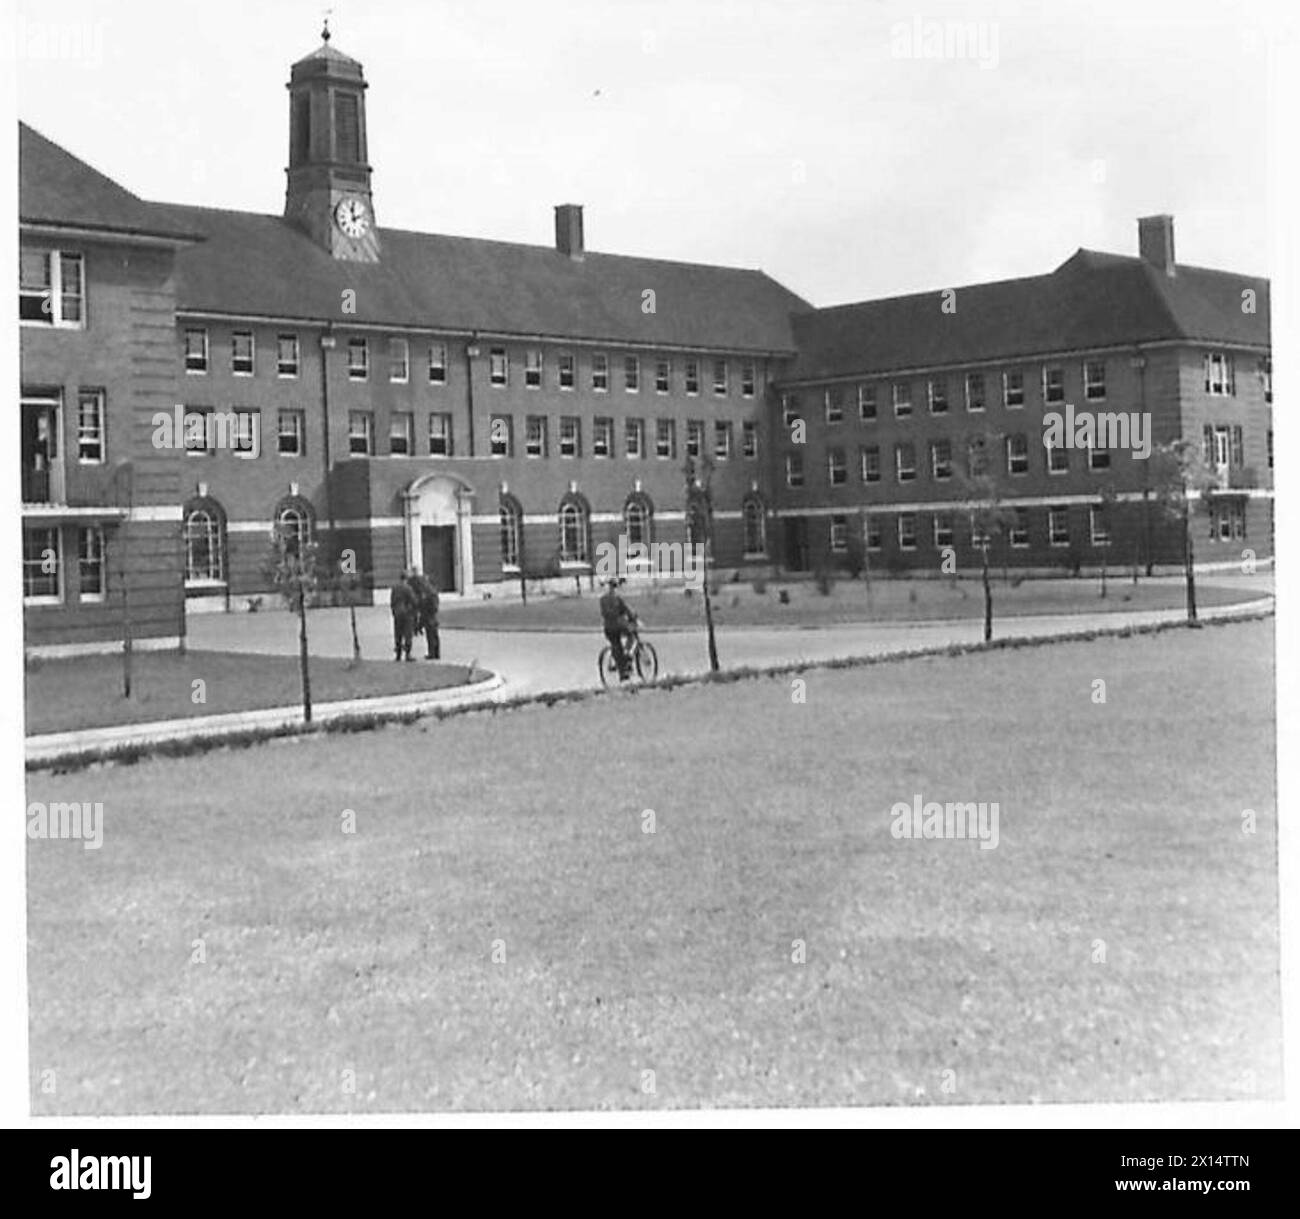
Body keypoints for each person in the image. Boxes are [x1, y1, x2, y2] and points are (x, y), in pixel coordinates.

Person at [599, 577, 636, 681]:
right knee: (624, 641)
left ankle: (625, 660)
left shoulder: (610, 599)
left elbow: (625, 609)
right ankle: (624, 665)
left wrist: (631, 616)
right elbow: (625, 610)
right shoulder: (611, 599)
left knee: (623, 640)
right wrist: (630, 617)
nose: (614, 589)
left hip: (613, 626)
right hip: (614, 627)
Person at [407, 571, 441, 660]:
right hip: (431, 616)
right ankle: (435, 653)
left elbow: (430, 606)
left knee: (431, 636)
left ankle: (432, 653)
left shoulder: (429, 593)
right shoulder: (431, 592)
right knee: (434, 635)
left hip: (430, 617)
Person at [389, 572, 418, 662]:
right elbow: (414, 601)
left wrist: (394, 611)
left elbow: (392, 601)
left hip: (397, 613)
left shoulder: (395, 588)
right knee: (407, 634)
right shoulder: (408, 588)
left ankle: (398, 655)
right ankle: (408, 654)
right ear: (406, 579)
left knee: (398, 634)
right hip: (407, 613)